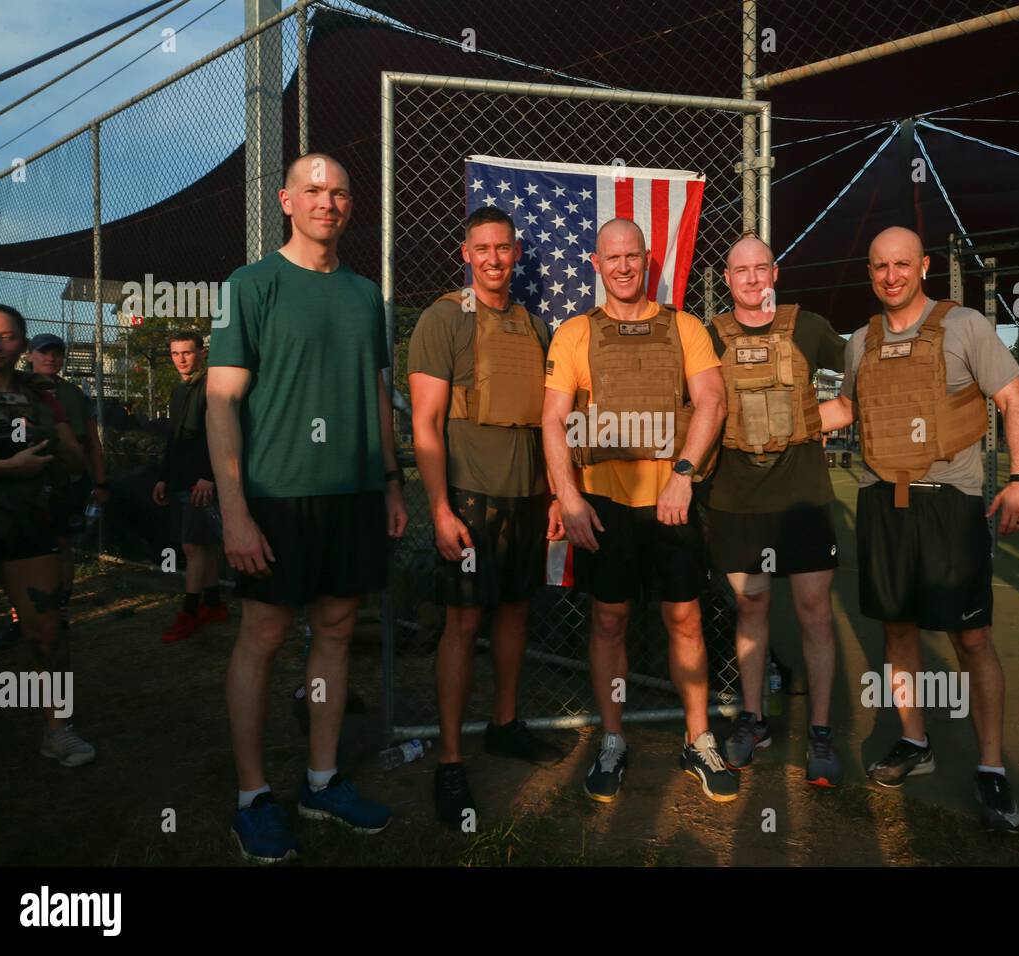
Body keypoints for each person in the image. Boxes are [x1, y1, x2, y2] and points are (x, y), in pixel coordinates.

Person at [207, 153, 407, 863]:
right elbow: (222, 400)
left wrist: (389, 482)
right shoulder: (249, 284)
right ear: (287, 201)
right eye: (315, 190)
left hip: (352, 495)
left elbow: (379, 395)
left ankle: (322, 780)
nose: (329, 201)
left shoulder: (364, 295)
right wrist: (235, 512)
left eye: (341, 191)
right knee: (262, 635)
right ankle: (253, 797)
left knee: (336, 626)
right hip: (277, 500)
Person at [817, 226, 1019, 832]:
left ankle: (991, 766)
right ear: (870, 271)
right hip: (880, 499)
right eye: (880, 266)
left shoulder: (964, 326)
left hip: (951, 502)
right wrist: (778, 423)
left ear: (923, 266)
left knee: (970, 639)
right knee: (896, 628)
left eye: (902, 265)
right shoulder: (859, 341)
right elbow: (847, 412)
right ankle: (915, 742)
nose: (891, 276)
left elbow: (1013, 401)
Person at [542, 218, 736, 804]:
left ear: (647, 260)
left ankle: (698, 738)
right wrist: (569, 495)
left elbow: (712, 401)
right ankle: (613, 739)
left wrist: (683, 474)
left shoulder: (684, 327)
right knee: (609, 619)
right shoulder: (574, 333)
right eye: (612, 257)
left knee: (684, 619)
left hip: (671, 503)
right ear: (595, 264)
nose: (623, 266)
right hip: (603, 504)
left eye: (633, 256)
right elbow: (553, 419)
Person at [408, 206, 564, 829]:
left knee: (516, 611)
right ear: (466, 253)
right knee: (463, 622)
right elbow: (424, 423)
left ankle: (504, 724)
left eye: (504, 248)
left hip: (528, 496)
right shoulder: (443, 319)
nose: (495, 258)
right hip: (471, 496)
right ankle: (450, 758)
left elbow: (551, 421)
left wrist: (555, 494)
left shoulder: (533, 326)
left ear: (517, 252)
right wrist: (440, 508)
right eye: (483, 249)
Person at [705, 235, 846, 786]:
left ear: (775, 273)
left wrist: (812, 422)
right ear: (726, 277)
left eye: (761, 268)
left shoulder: (808, 327)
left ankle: (820, 731)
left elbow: (866, 378)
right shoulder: (708, 335)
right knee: (751, 608)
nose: (751, 278)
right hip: (738, 499)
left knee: (814, 611)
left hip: (803, 497)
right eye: (741, 270)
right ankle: (753, 718)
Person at [0, 303, 96, 766]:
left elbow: (76, 458)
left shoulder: (42, 393)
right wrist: (6, 466)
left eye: (5, 335)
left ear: (22, 343)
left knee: (47, 630)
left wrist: (64, 438)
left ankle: (58, 730)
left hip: (28, 527)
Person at [0, 334, 108, 645]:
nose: (51, 359)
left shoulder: (74, 394)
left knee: (62, 545)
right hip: (25, 482)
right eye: (44, 353)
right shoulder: (11, 388)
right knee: (21, 548)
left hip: (67, 482)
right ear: (29, 355)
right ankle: (21, 616)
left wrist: (99, 482)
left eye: (57, 353)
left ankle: (59, 613)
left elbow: (93, 444)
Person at [154, 330, 228, 643]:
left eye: (187, 352)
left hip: (204, 480)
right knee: (203, 544)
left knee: (193, 547)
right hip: (184, 478)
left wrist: (209, 475)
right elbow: (174, 439)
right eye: (175, 353)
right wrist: (164, 477)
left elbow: (222, 434)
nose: (181, 359)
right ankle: (212, 604)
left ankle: (190, 612)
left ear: (202, 352)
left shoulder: (213, 385)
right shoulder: (179, 390)